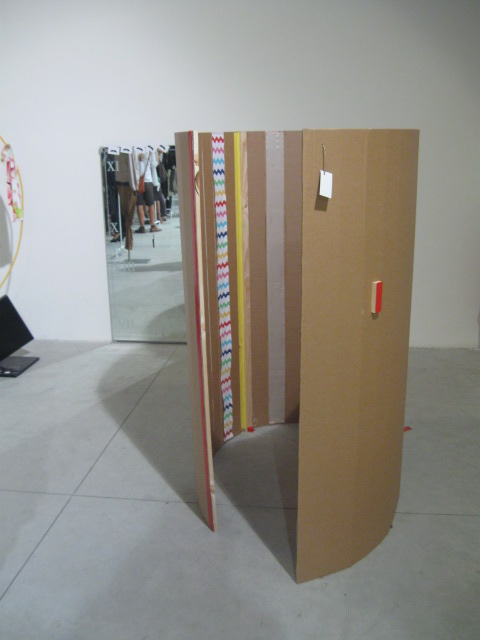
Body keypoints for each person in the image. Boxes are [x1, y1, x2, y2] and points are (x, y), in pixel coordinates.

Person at [134, 150, 160, 233]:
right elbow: (154, 164)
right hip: (148, 179)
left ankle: (142, 226)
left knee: (139, 204)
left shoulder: (135, 149)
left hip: (138, 181)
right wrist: (156, 155)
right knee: (151, 204)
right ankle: (152, 225)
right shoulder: (149, 149)